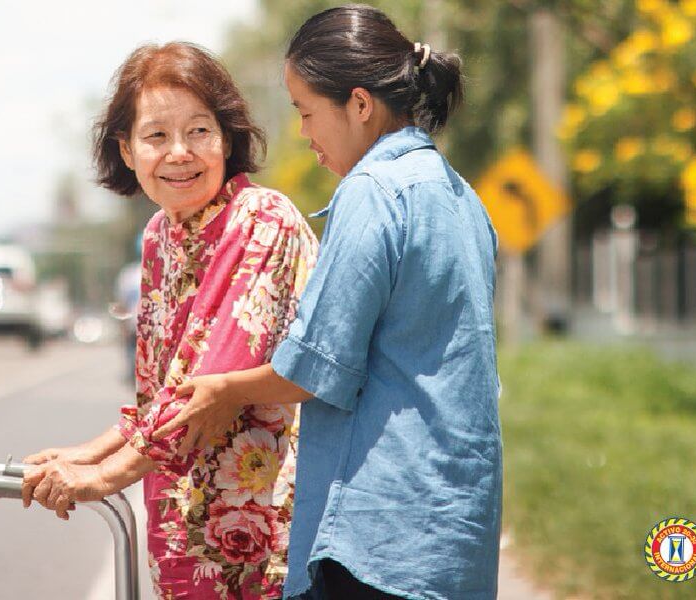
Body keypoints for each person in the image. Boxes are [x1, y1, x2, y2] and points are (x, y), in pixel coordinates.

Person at [155, 7, 502, 600]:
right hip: (455, 529)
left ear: (360, 105)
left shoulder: (372, 192)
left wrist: (224, 388)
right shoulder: (460, 193)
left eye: (306, 111)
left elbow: (316, 368)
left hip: (380, 535)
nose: (303, 133)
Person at [20, 42, 319, 598]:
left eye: (199, 132)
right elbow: (164, 390)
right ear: (127, 151)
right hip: (183, 523)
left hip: (265, 532)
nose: (179, 153)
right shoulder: (160, 234)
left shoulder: (262, 220)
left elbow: (205, 393)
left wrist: (100, 479)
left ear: (226, 139)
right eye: (156, 136)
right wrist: (90, 451)